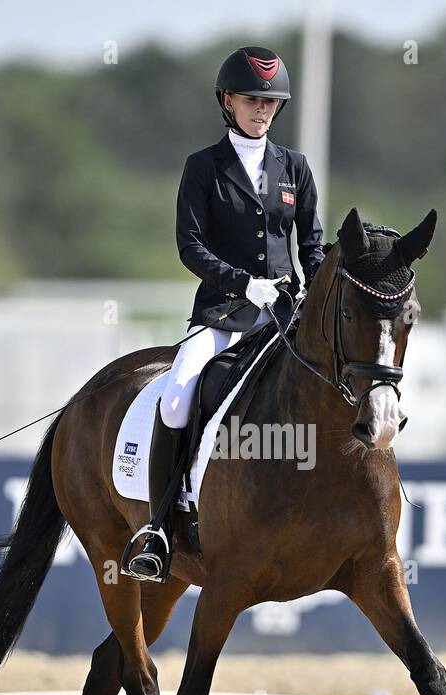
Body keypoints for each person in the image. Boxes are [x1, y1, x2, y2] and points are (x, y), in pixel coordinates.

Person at [122, 45, 325, 582]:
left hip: (285, 316)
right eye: (254, 100)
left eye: (272, 102)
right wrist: (243, 283)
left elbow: (314, 246)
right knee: (177, 395)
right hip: (223, 313)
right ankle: (162, 526)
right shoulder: (202, 167)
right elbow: (190, 247)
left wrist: (313, 292)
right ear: (228, 101)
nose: (263, 110)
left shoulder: (295, 168)